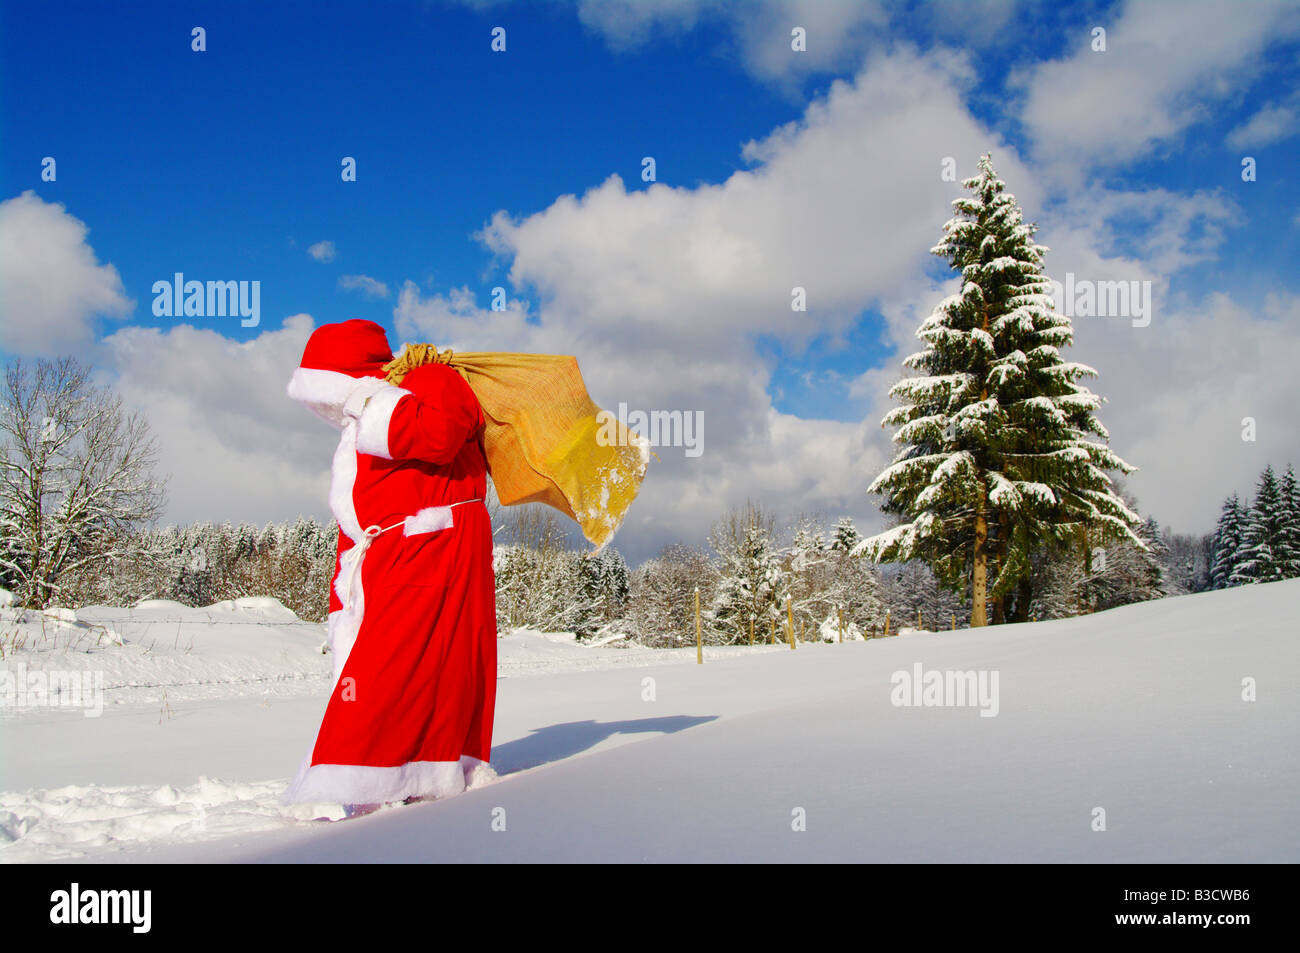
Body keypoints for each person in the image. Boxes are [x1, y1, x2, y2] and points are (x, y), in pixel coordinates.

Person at [279, 319, 497, 814]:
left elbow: (441, 433)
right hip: (396, 553)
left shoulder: (427, 383)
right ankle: (413, 771)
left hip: (428, 548)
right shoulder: (379, 408)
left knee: (396, 667)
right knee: (401, 665)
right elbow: (362, 509)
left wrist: (363, 400)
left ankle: (347, 783)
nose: (330, 410)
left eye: (332, 394)